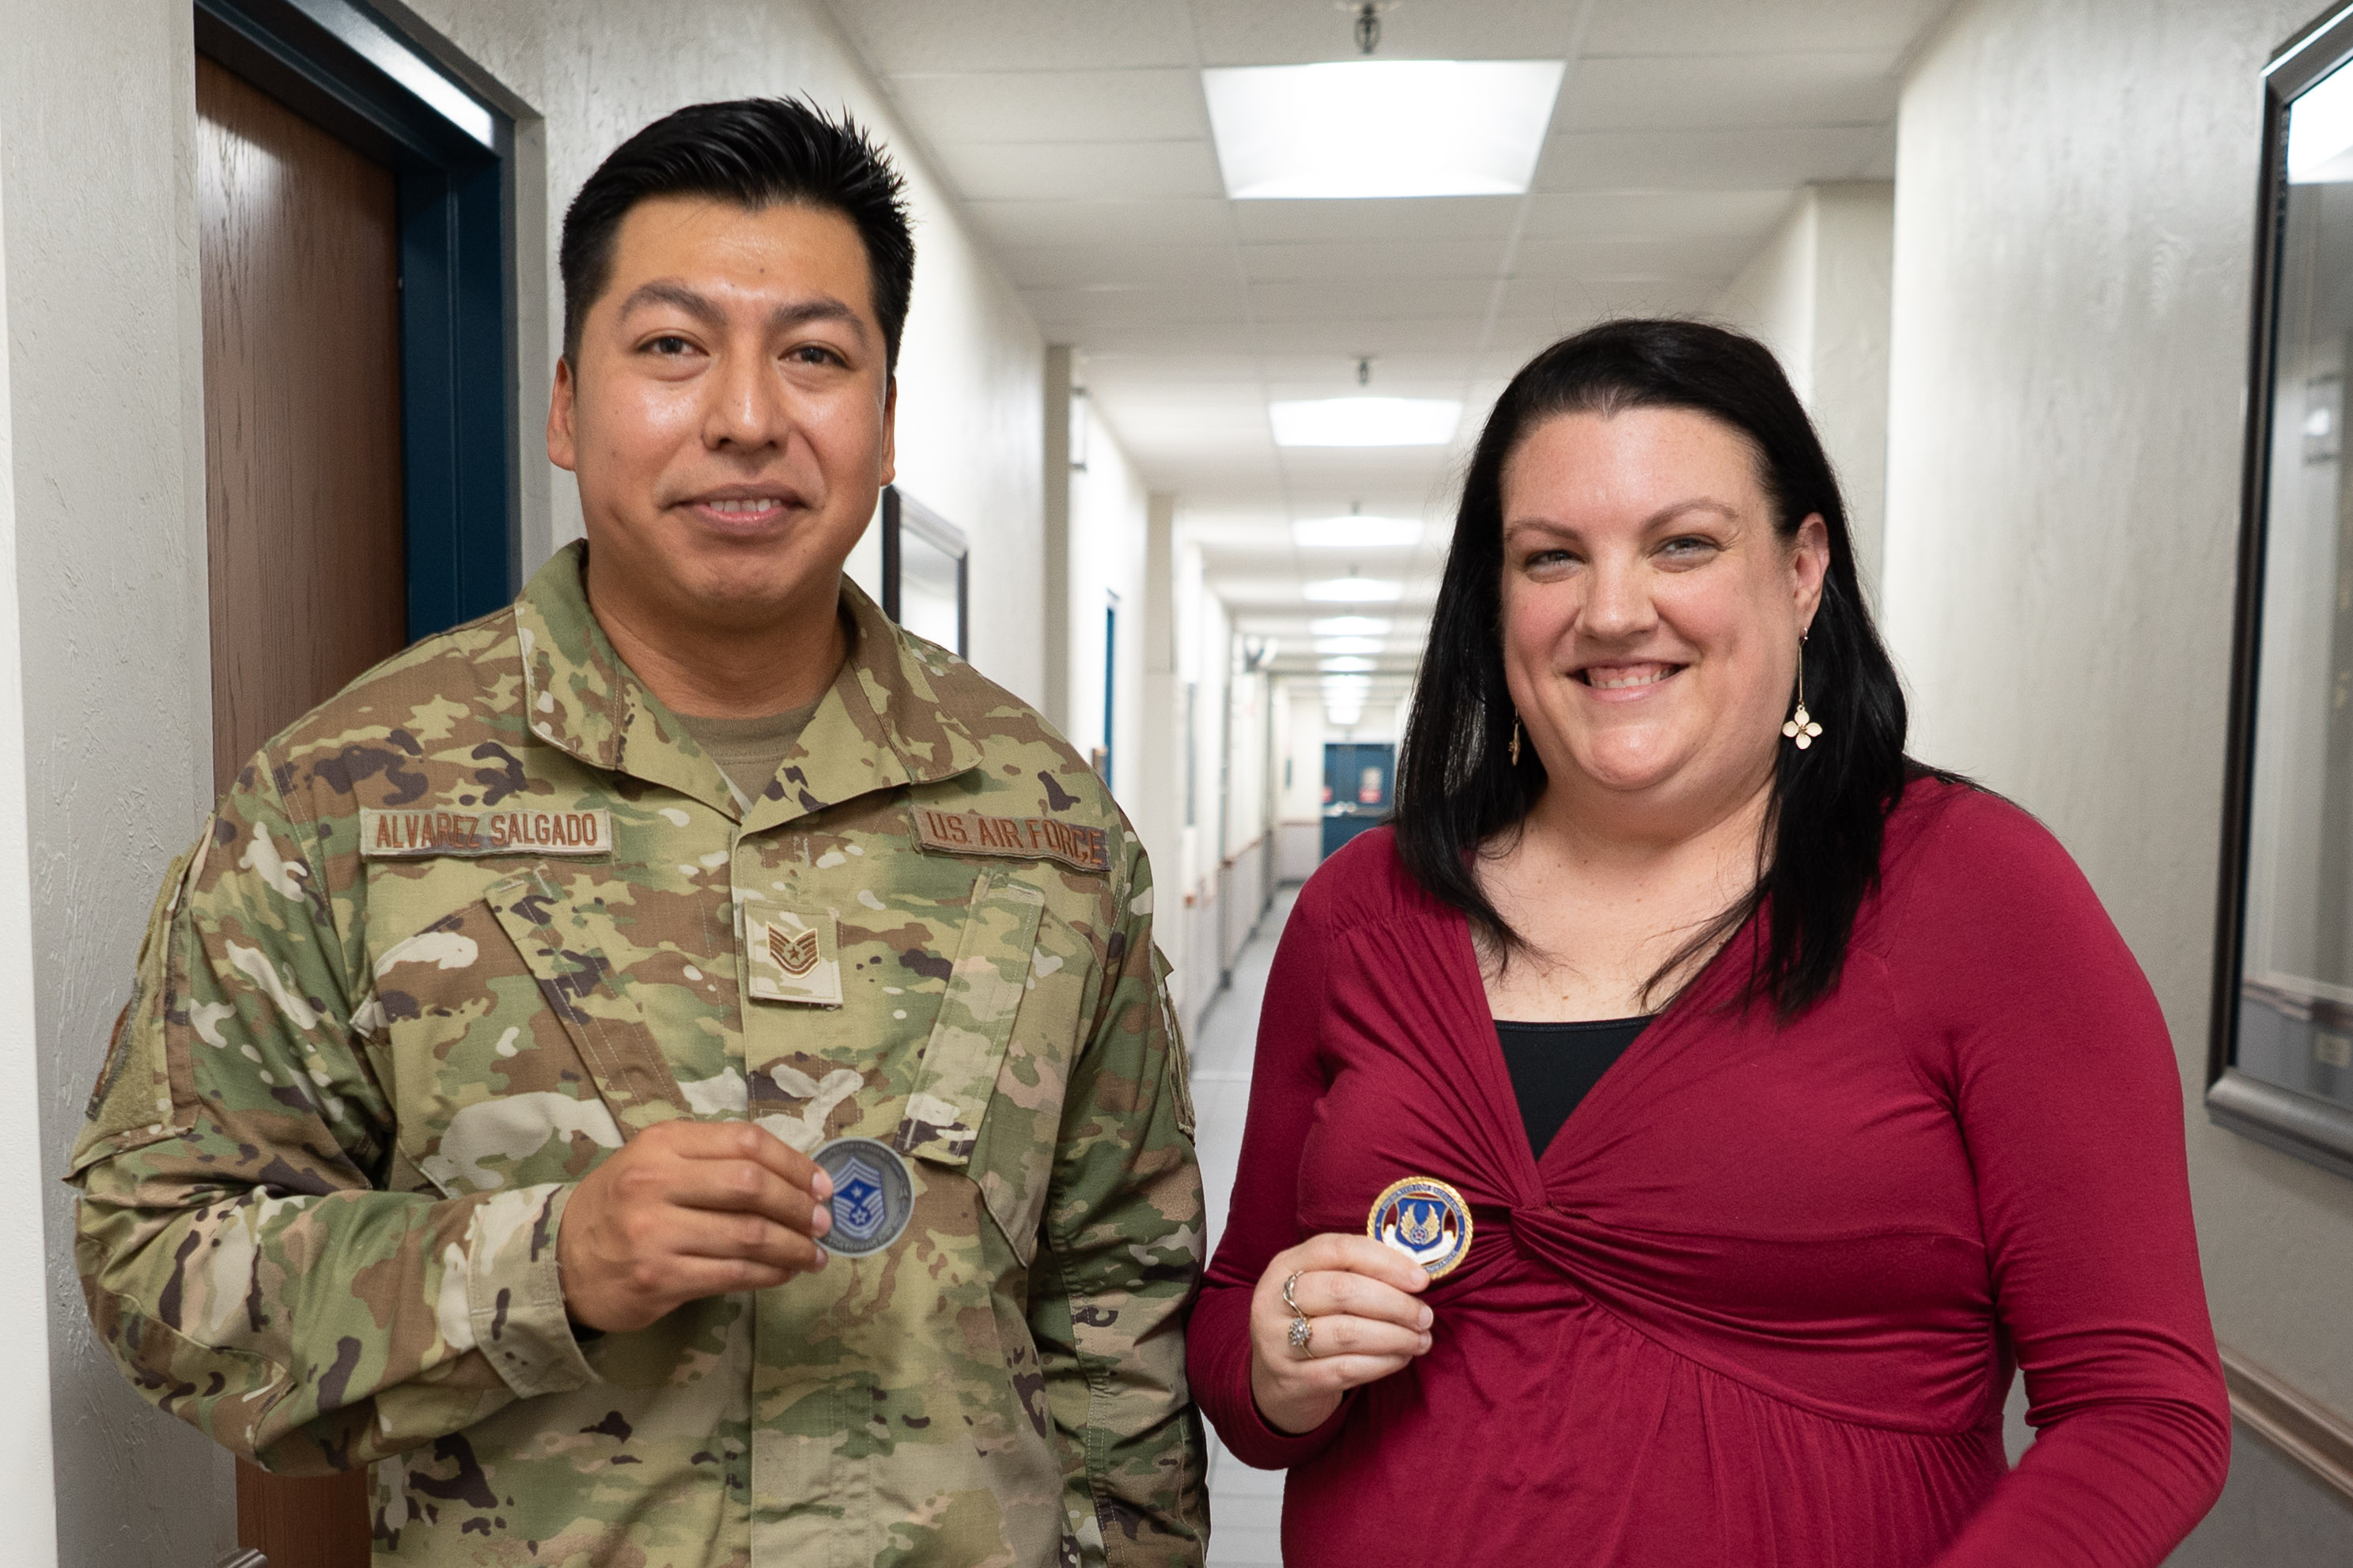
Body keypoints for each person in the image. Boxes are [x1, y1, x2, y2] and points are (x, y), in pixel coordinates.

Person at [70, 97, 1206, 1568]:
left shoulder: (1038, 817)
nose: (746, 414)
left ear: (884, 422)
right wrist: (550, 1261)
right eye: (672, 347)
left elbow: (1122, 1286)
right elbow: (158, 1260)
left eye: (815, 353)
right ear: (562, 404)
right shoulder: (349, 796)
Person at [1188, 319, 2230, 1566]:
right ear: (1496, 596)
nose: (1613, 611)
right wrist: (1279, 1358)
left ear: (1802, 570)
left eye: (1683, 544)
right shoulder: (1368, 908)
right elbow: (1239, 1327)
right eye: (1552, 558)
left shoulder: (1974, 894)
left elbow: (2143, 1410)